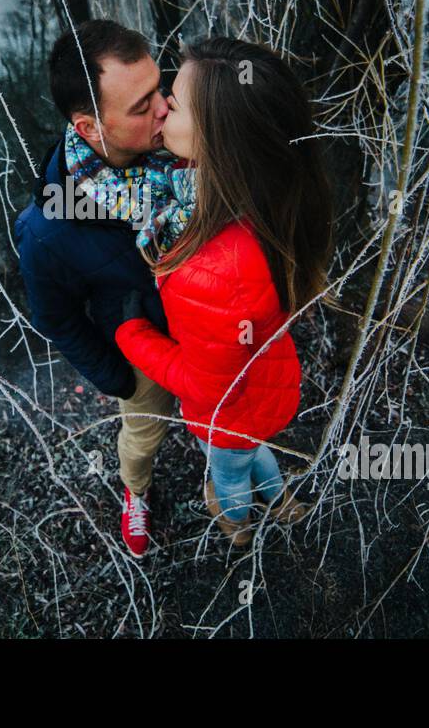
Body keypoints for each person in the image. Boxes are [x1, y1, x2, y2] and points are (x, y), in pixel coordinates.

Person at [114, 36, 334, 547]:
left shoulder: (213, 267)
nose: (162, 107)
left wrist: (132, 335)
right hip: (266, 385)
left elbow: (203, 384)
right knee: (254, 451)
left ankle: (237, 525)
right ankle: (282, 502)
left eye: (177, 101)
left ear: (220, 137)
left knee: (229, 472)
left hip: (227, 410)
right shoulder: (265, 201)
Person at [13, 19, 178, 558]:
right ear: (89, 128)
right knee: (143, 435)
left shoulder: (186, 139)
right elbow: (57, 319)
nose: (164, 109)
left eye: (160, 88)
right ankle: (136, 492)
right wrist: (116, 378)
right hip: (144, 352)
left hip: (213, 328)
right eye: (141, 105)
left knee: (224, 415)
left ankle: (237, 472)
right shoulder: (49, 231)